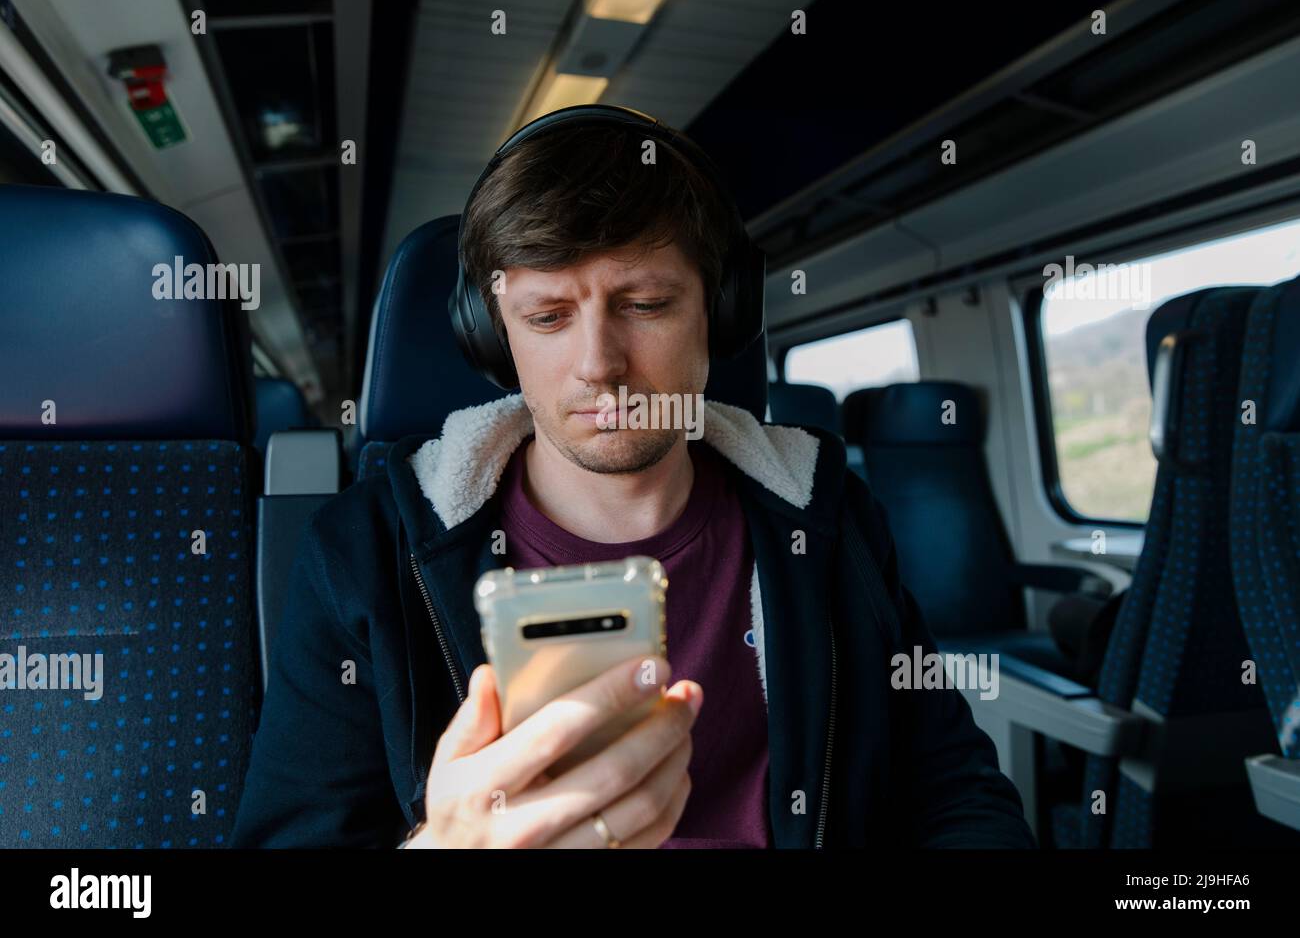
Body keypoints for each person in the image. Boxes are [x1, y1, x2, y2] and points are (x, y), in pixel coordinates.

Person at [231, 105, 1034, 849]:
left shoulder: (828, 516)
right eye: (547, 318)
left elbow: (953, 792)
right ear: (491, 337)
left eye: (646, 304)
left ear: (721, 313)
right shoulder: (368, 552)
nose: (599, 366)